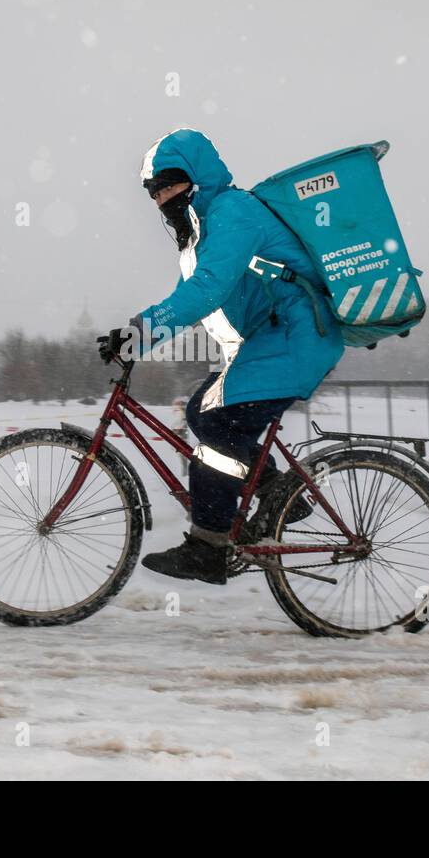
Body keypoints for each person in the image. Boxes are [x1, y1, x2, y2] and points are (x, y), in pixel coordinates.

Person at [97, 129, 345, 584]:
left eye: (169, 185)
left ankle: (209, 547)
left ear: (195, 178)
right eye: (154, 192)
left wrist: (139, 333)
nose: (161, 199)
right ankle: (279, 496)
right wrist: (140, 335)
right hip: (278, 337)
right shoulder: (208, 229)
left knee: (215, 420)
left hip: (298, 335)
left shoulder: (232, 212)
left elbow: (208, 290)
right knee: (203, 409)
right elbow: (191, 297)